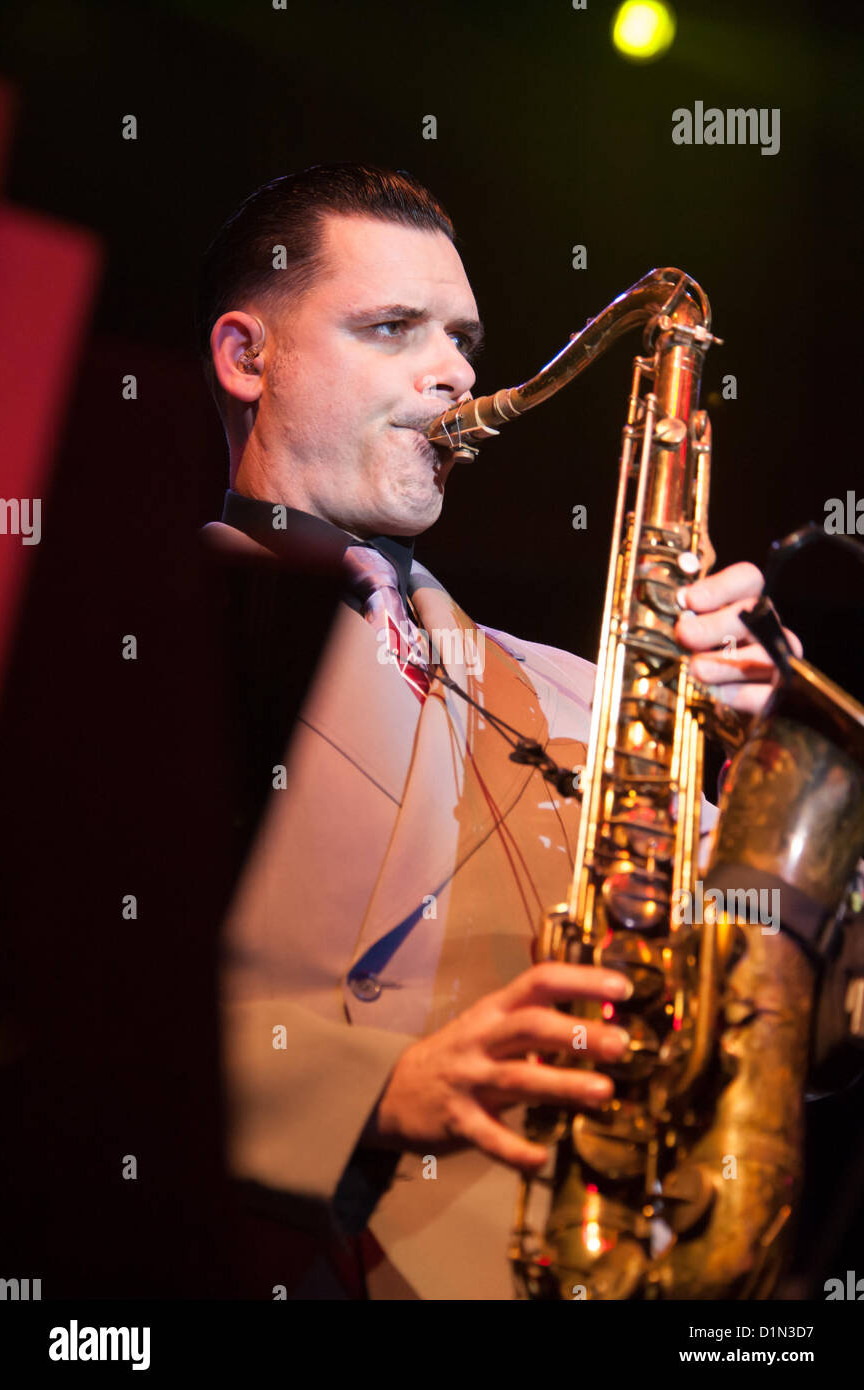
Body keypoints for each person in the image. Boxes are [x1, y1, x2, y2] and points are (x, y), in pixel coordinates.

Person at [195, 163, 843, 1300]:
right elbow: (67, 1029)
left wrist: (768, 766)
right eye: (392, 328)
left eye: (464, 341)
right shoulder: (119, 633)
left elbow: (810, 1023)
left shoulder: (591, 693)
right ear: (250, 357)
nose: (454, 373)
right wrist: (373, 1093)